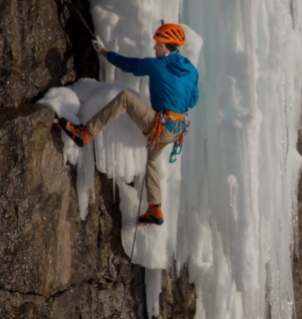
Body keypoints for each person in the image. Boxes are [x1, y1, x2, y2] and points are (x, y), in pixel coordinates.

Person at [57, 23, 199, 225]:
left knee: (125, 99)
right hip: (176, 132)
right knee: (151, 161)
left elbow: (131, 66)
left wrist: (105, 52)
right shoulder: (192, 71)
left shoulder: (157, 64)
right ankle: (155, 208)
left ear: (167, 47)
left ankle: (85, 133)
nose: (154, 48)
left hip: (161, 124)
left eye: (157, 45)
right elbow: (193, 101)